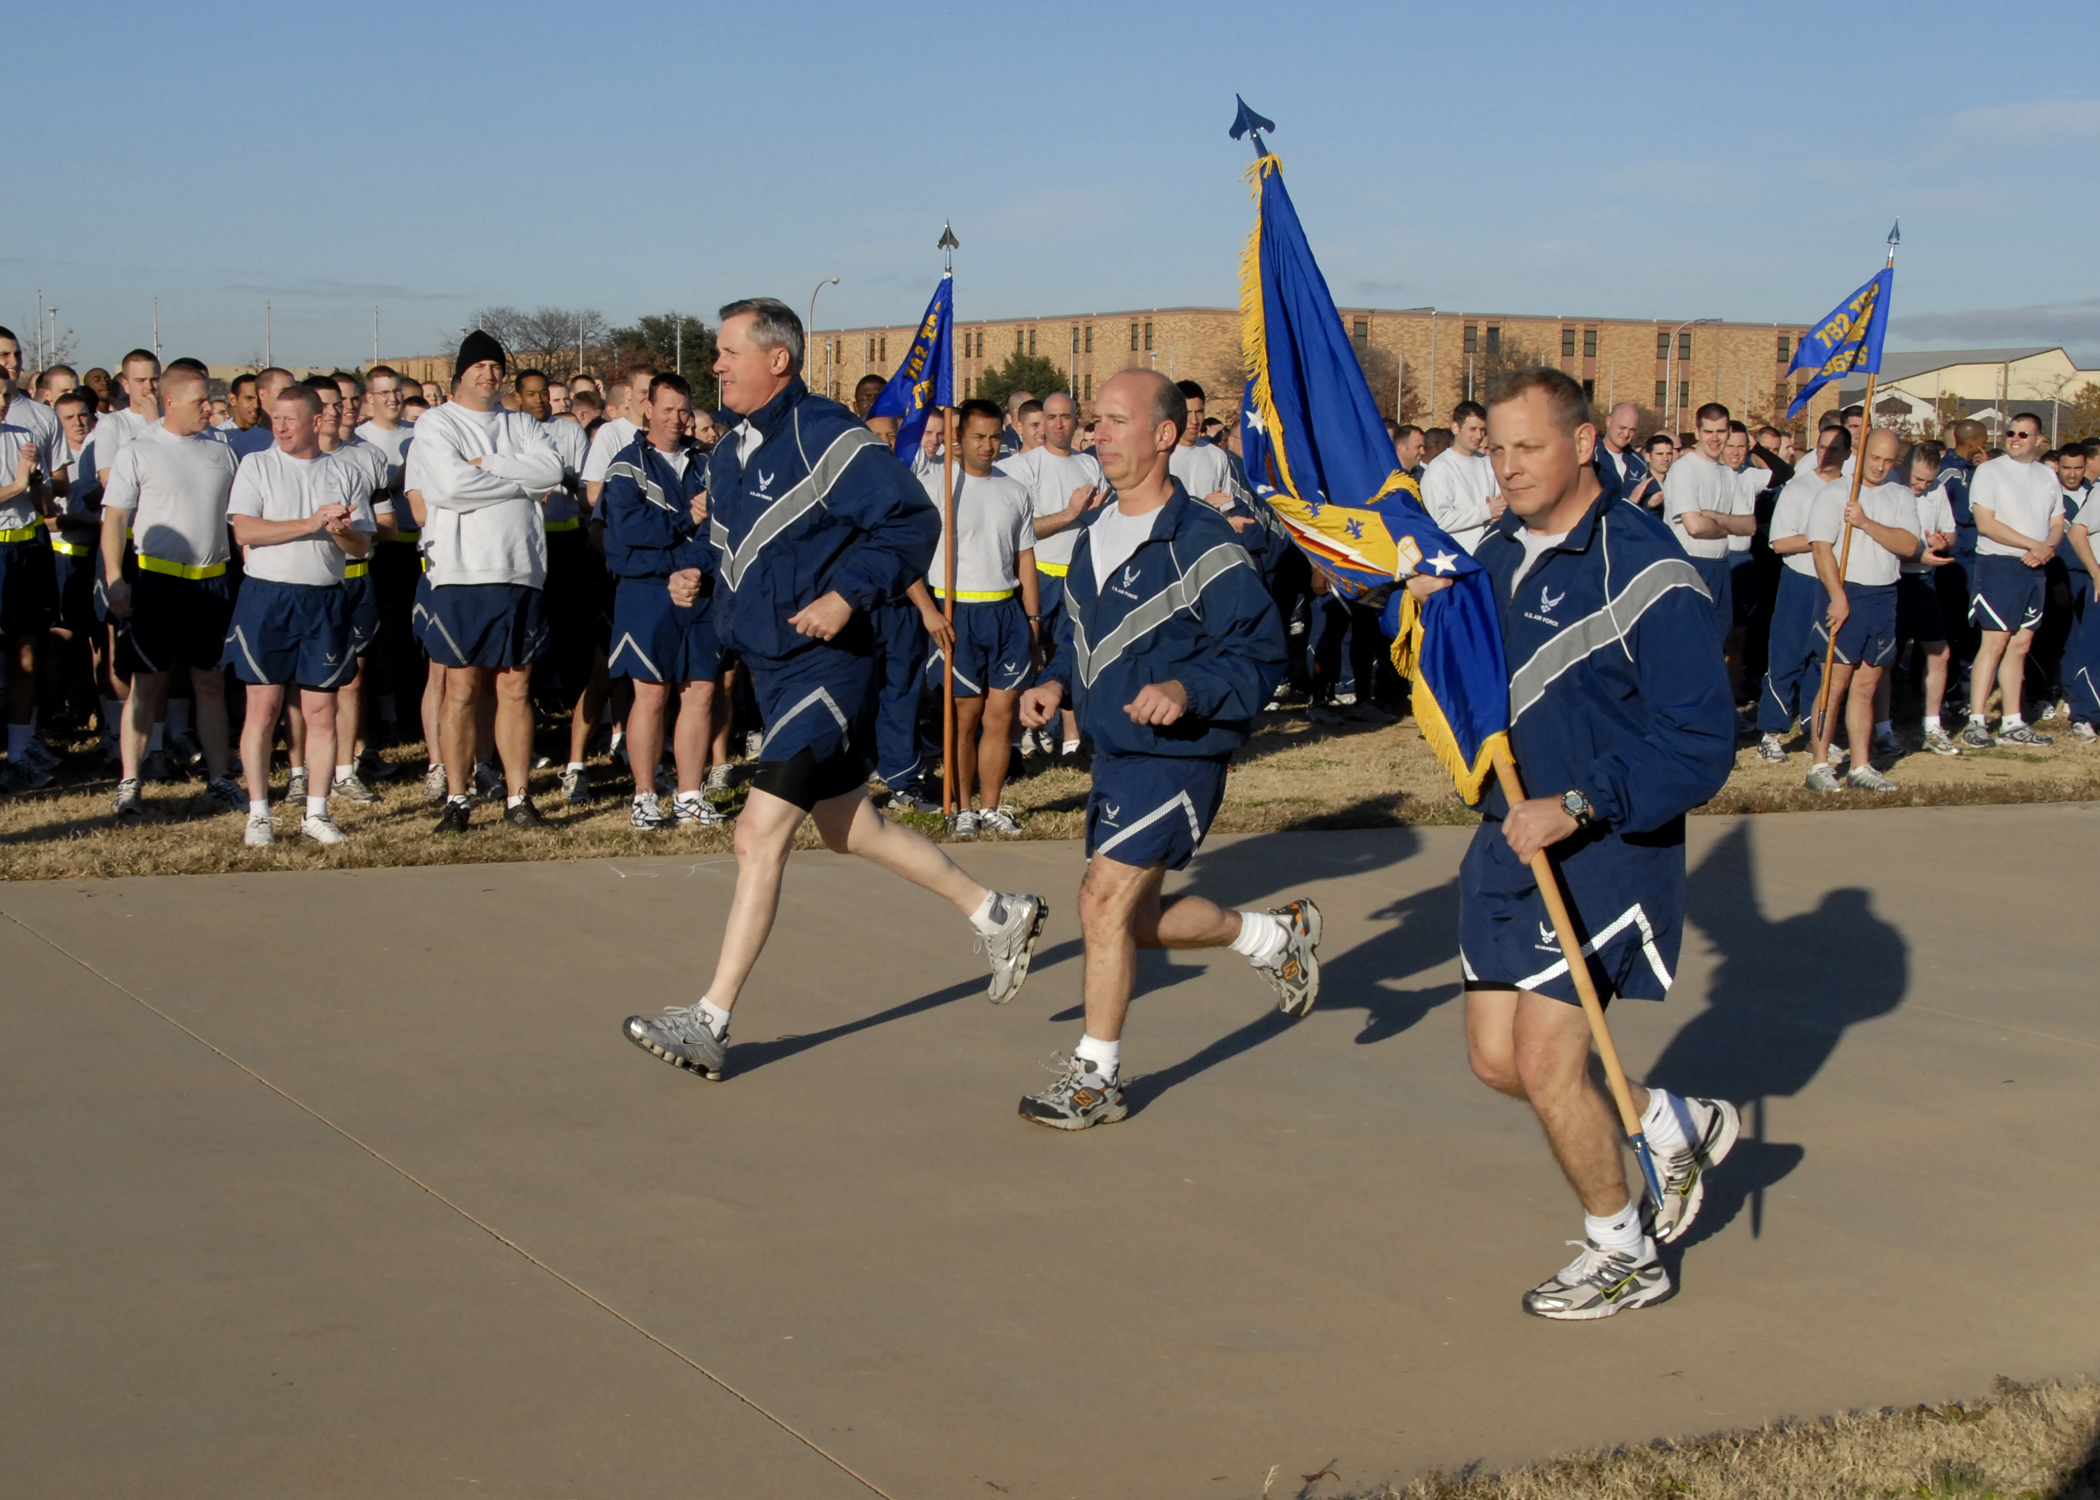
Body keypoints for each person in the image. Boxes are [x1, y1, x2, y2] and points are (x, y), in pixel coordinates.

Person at [622, 297, 1047, 1083]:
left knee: (757, 835)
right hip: (771, 668)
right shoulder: (728, 452)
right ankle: (997, 912)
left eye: (726, 351)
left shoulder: (828, 434)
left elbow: (910, 521)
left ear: (776, 359)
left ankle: (711, 1020)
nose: (714, 365)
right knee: (852, 828)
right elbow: (732, 554)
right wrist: (698, 579)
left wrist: (848, 594)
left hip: (830, 668)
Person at [1415, 366, 1737, 1320]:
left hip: (1606, 850)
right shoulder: (1496, 550)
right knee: (1496, 1062)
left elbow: (1701, 745)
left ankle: (1622, 1248)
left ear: (1586, 443)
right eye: (1497, 447)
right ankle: (1657, 1117)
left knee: (1552, 1066)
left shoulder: (1648, 571)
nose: (1505, 467)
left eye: (1528, 448)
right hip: (1508, 841)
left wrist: (1584, 802)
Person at [1014, 369, 1311, 1130]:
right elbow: (1082, 636)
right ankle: (1271, 934)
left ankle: (1096, 1076)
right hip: (1116, 752)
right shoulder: (1095, 531)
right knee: (1131, 922)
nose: (1096, 435)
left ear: (1165, 435)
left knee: (1098, 900)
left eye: (1115, 421)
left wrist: (1186, 689)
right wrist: (1055, 684)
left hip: (1179, 757)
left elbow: (1261, 653)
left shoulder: (1204, 543)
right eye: (1094, 422)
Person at [403, 331, 564, 832]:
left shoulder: (521, 423)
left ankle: (519, 798)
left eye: (496, 367)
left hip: (521, 571)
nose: (489, 374)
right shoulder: (437, 422)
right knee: (462, 689)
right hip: (461, 573)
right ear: (460, 374)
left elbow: (553, 470)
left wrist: (489, 467)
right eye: (480, 367)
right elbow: (448, 488)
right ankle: (458, 797)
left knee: (516, 688)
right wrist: (520, 481)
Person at [223, 383, 377, 845]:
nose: (281, 426)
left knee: (322, 711)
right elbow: (245, 530)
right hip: (267, 597)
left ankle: (317, 811)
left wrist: (340, 531)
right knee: (264, 709)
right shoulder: (257, 465)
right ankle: (259, 814)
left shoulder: (344, 471)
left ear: (316, 421)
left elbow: (361, 544)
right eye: (277, 417)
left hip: (325, 598)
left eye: (291, 419)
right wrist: (310, 523)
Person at [98, 365, 245, 820]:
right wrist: (115, 578)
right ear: (171, 402)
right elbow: (115, 521)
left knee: (210, 682)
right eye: (201, 400)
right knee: (149, 684)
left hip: (214, 581)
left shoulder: (222, 450)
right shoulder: (139, 451)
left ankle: (219, 778)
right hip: (158, 582)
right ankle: (130, 782)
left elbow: (236, 519)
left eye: (210, 400)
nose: (209, 407)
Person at [600, 372, 725, 829]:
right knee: (650, 696)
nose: (675, 418)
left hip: (700, 590)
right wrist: (684, 520)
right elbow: (629, 533)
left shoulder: (709, 463)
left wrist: (693, 568)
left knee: (701, 692)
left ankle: (690, 794)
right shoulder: (625, 465)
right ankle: (645, 793)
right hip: (646, 592)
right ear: (646, 408)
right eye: (666, 409)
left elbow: (723, 528)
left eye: (683, 410)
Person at [923, 398, 1039, 835]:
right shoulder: (937, 486)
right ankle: (963, 808)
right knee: (965, 717)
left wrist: (1033, 617)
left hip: (1006, 611)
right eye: (979, 437)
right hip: (957, 611)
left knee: (1000, 717)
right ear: (959, 438)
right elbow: (906, 554)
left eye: (995, 436)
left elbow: (1025, 556)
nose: (988, 445)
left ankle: (991, 807)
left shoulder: (1014, 490)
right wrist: (928, 611)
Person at [1799, 430, 1919, 793]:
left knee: (1867, 685)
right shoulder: (1835, 494)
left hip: (1884, 594)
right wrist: (1837, 596)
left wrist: (1865, 522)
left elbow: (1909, 545)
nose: (1881, 467)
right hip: (1845, 592)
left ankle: (1861, 765)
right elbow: (1821, 550)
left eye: (1889, 460)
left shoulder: (1901, 495)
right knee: (1834, 682)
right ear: (1860, 455)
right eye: (1875, 458)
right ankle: (1820, 764)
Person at [996, 390, 1105, 763]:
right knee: (1026, 652)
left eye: (1065, 417)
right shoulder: (1022, 467)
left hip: (1077, 575)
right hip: (1037, 573)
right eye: (1051, 417)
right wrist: (1069, 513)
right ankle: (1016, 738)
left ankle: (1071, 741)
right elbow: (1021, 530)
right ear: (1040, 421)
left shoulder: (1090, 466)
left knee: (1072, 653)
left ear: (1076, 420)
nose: (1058, 424)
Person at [515, 367, 605, 805]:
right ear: (518, 397)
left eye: (544, 396)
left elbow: (580, 484)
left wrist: (558, 477)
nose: (539, 402)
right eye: (530, 395)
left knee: (572, 631)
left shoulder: (568, 432)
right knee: (531, 638)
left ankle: (572, 711)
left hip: (566, 537)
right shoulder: (513, 431)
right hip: (527, 544)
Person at [1961, 412, 2063, 747]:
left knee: (2021, 644)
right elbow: (1987, 524)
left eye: (2023, 434)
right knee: (1995, 642)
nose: (2015, 438)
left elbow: (2058, 520)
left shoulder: (2048, 475)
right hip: (1999, 565)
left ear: (2039, 440)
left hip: (2035, 568)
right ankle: (1976, 720)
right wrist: (2032, 543)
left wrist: (2046, 548)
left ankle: (2011, 720)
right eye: (2010, 433)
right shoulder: (1990, 471)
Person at [1755, 426, 1848, 762]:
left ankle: (1815, 732)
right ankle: (1771, 732)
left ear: (1847, 455)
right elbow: (1779, 542)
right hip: (1800, 579)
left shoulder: (1852, 491)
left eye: (1834, 449)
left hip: (1835, 584)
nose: (1826, 454)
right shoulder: (1799, 487)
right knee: (1786, 656)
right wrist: (1820, 537)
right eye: (1821, 447)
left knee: (1824, 661)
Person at [1881, 443, 1960, 756]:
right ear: (1904, 466)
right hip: (1892, 578)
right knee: (1885, 659)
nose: (1922, 486)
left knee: (1939, 651)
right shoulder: (1888, 488)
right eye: (1918, 479)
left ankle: (1932, 724)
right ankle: (1882, 727)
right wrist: (1915, 551)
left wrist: (1942, 543)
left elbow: (1950, 534)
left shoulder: (1936, 491)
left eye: (1929, 481)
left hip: (1924, 579)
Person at [1661, 404, 1753, 647]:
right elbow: (1695, 526)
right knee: (1687, 645)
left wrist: (1715, 517)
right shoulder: (1684, 469)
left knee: (1718, 642)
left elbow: (1750, 525)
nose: (1715, 438)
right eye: (1709, 431)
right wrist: (1731, 525)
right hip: (1690, 564)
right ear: (1697, 431)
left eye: (1721, 431)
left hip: (1721, 566)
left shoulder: (1728, 473)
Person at [0, 409, 58, 791]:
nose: (2, 401)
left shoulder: (24, 434)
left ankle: (20, 755)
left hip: (29, 547)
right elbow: (18, 485)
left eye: (6, 394)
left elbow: (48, 504)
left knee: (26, 651)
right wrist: (19, 482)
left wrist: (36, 484)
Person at [1419, 400, 1503, 553]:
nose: (1479, 435)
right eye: (1473, 429)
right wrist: (1486, 512)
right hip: (1459, 556)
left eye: (1483, 430)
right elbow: (1442, 520)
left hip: (1492, 551)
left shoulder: (1489, 462)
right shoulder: (1440, 468)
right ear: (1456, 428)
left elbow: (1501, 502)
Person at [1166, 380, 1233, 504]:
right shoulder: (1158, 457)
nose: (1194, 420)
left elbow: (1225, 510)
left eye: (1199, 412)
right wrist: (1203, 507)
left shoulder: (1217, 456)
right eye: (1187, 413)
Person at [1591, 401, 1649, 506]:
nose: (1626, 434)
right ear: (1609, 421)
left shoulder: (1639, 462)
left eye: (1632, 430)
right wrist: (1629, 502)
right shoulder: (1590, 456)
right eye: (1622, 428)